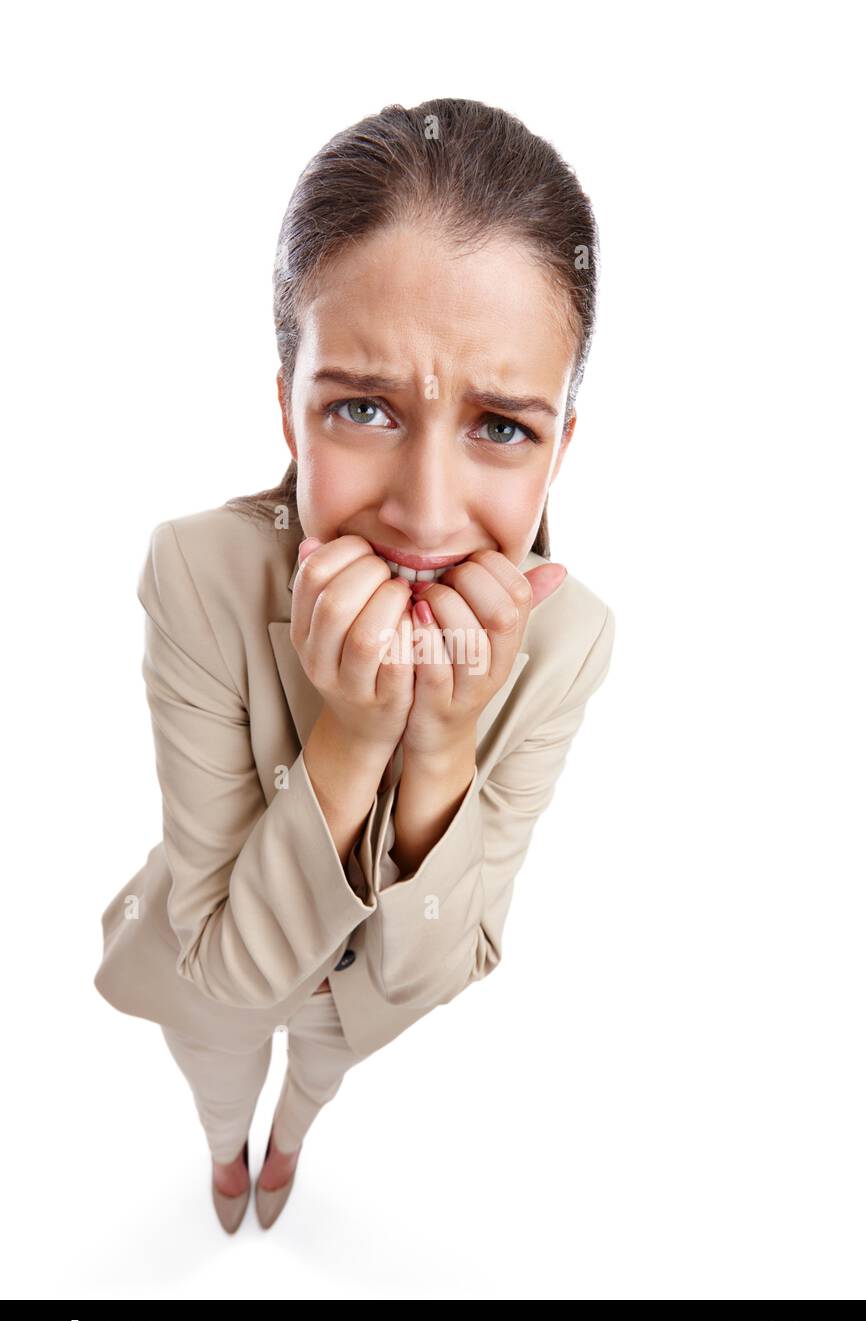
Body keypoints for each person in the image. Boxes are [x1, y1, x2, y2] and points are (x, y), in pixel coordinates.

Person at [94, 96, 616, 1234]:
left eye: (499, 426)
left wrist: (436, 743)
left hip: (360, 1002)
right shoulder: (197, 570)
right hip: (211, 959)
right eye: (364, 408)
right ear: (288, 409)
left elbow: (435, 968)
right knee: (222, 1064)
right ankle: (228, 1147)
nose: (424, 515)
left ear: (558, 445)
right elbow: (224, 965)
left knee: (322, 1067)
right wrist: (355, 730)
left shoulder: (569, 639)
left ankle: (288, 1141)